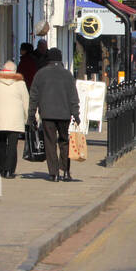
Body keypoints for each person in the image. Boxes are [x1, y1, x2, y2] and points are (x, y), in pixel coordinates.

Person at [29, 47, 81, 182]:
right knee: (64, 142)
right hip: (64, 114)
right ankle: (65, 171)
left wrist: (31, 115)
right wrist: (76, 114)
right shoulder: (67, 75)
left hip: (47, 114)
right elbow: (73, 96)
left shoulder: (40, 74)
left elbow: (33, 96)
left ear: (48, 59)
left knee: (50, 143)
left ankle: (54, 173)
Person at [0, 60, 30, 179]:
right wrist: (29, 118)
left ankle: (0, 168)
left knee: (0, 144)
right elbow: (26, 101)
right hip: (15, 119)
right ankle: (9, 171)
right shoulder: (20, 83)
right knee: (12, 145)